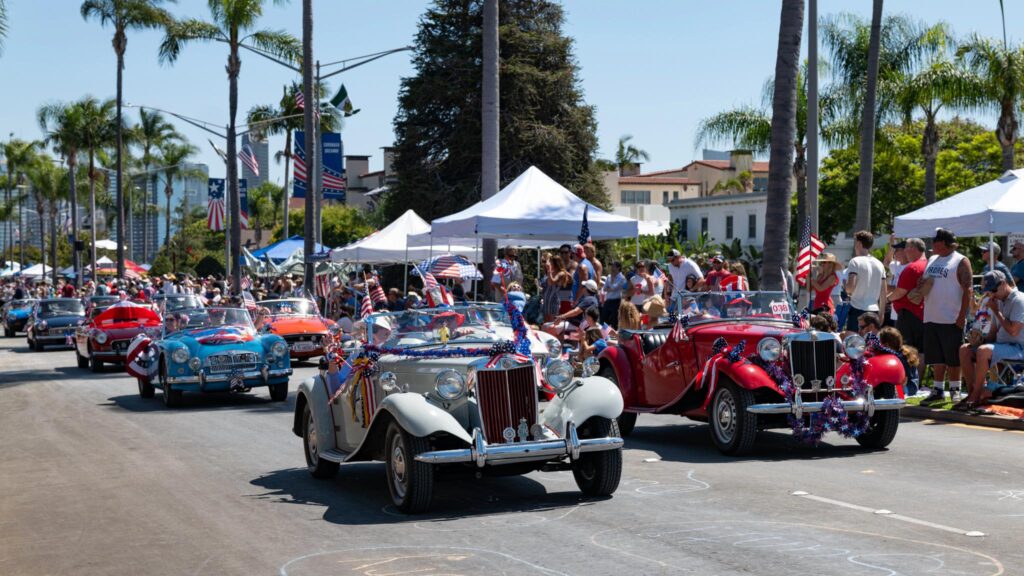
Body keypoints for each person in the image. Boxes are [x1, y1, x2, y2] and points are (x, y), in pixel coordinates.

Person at [912, 228, 972, 403]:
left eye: (935, 240)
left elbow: (967, 290)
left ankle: (955, 390)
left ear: (944, 243)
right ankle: (937, 390)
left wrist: (962, 316)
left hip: (951, 316)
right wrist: (920, 283)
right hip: (932, 315)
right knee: (936, 356)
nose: (932, 243)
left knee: (953, 357)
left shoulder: (960, 260)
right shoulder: (932, 259)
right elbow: (927, 281)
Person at [955, 270, 1024, 411]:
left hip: (1018, 348)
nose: (991, 294)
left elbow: (1013, 330)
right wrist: (979, 340)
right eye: (988, 291)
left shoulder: (1019, 300)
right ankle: (972, 392)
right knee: (965, 349)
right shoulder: (997, 301)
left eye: (993, 290)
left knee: (983, 351)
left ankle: (976, 394)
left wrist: (996, 312)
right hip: (1001, 345)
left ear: (1004, 283)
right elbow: (993, 332)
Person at [843, 230, 886, 333]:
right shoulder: (879, 264)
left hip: (857, 309)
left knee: (853, 345)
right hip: (874, 310)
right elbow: (883, 292)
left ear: (858, 243)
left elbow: (850, 289)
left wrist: (845, 285)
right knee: (870, 345)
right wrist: (881, 313)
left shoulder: (855, 261)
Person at [889, 238, 927, 354]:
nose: (905, 252)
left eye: (906, 249)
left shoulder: (912, 267)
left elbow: (900, 291)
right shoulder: (928, 264)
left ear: (913, 249)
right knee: (920, 352)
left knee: (905, 350)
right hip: (921, 313)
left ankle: (907, 373)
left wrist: (888, 298)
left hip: (909, 314)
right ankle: (917, 373)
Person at [879, 326, 920, 397]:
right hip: (903, 385)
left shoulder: (901, 357)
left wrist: (900, 394)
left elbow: (904, 380)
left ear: (886, 344)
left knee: (888, 384)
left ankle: (893, 397)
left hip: (909, 387)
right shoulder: (894, 354)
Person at [542, 252, 572, 322]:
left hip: (553, 299)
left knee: (551, 320)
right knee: (546, 320)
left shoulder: (561, 273)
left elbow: (551, 282)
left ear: (556, 264)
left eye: (551, 263)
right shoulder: (553, 272)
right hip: (547, 299)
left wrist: (549, 270)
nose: (550, 264)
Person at [602, 261, 626, 328]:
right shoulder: (609, 276)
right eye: (611, 266)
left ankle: (614, 334)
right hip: (608, 300)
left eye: (614, 266)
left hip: (616, 301)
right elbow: (604, 288)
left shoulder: (621, 278)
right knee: (604, 318)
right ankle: (605, 334)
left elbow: (613, 288)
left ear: (618, 268)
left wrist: (612, 279)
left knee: (614, 320)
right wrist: (609, 288)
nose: (612, 268)